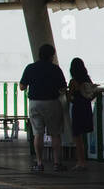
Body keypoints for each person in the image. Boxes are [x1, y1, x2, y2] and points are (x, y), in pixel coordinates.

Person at [20, 43, 68, 172]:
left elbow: (22, 87)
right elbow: (63, 88)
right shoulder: (55, 69)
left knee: (38, 134)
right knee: (55, 134)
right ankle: (57, 163)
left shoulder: (30, 68)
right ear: (51, 56)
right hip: (52, 103)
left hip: (35, 103)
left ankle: (39, 163)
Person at [68, 58, 98, 171]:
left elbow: (70, 97)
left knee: (77, 136)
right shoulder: (88, 80)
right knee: (84, 135)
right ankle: (83, 160)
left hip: (77, 108)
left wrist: (68, 95)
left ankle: (81, 161)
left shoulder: (73, 82)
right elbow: (93, 95)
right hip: (86, 108)